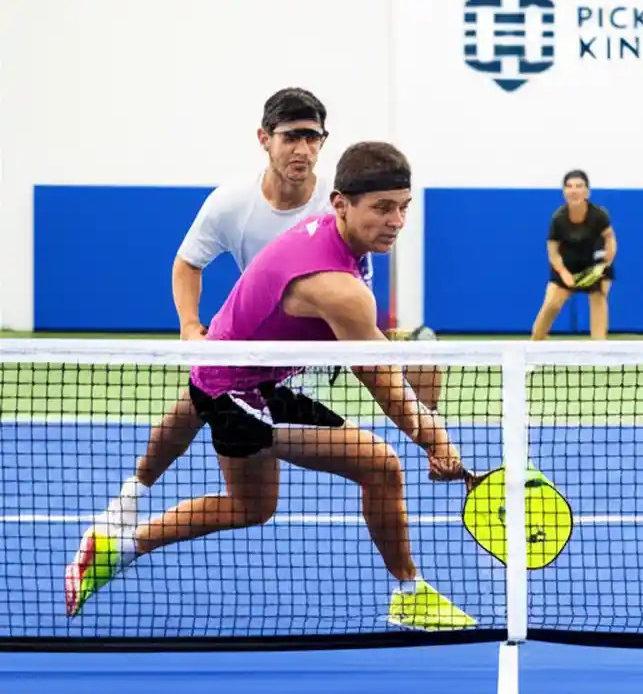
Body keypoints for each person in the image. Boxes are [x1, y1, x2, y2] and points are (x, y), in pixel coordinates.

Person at [65, 141, 474, 631]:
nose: (396, 222)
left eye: (404, 208)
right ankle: (409, 592)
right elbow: (379, 378)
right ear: (341, 203)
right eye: (383, 208)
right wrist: (433, 438)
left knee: (250, 506)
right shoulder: (338, 287)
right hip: (239, 394)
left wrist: (396, 361)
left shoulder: (331, 234)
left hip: (233, 367)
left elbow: (364, 342)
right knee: (381, 467)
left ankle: (119, 549)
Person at [92, 87, 442, 536]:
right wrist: (188, 325)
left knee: (239, 476)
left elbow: (354, 300)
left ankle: (127, 524)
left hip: (293, 346)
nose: (304, 149)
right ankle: (128, 500)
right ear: (265, 139)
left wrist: (361, 346)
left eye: (313, 138)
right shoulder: (232, 202)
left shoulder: (339, 207)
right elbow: (187, 263)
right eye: (292, 137)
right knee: (184, 417)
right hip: (240, 338)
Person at [531, 170, 618, 340]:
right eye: (569, 186)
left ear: (587, 191)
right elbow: (553, 252)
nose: (574, 190)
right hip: (566, 266)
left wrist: (609, 258)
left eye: (579, 186)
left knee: (599, 297)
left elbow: (609, 237)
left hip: (594, 265)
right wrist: (564, 274)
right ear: (564, 192)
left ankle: (599, 349)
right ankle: (534, 344)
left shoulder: (599, 215)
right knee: (552, 304)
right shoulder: (558, 219)